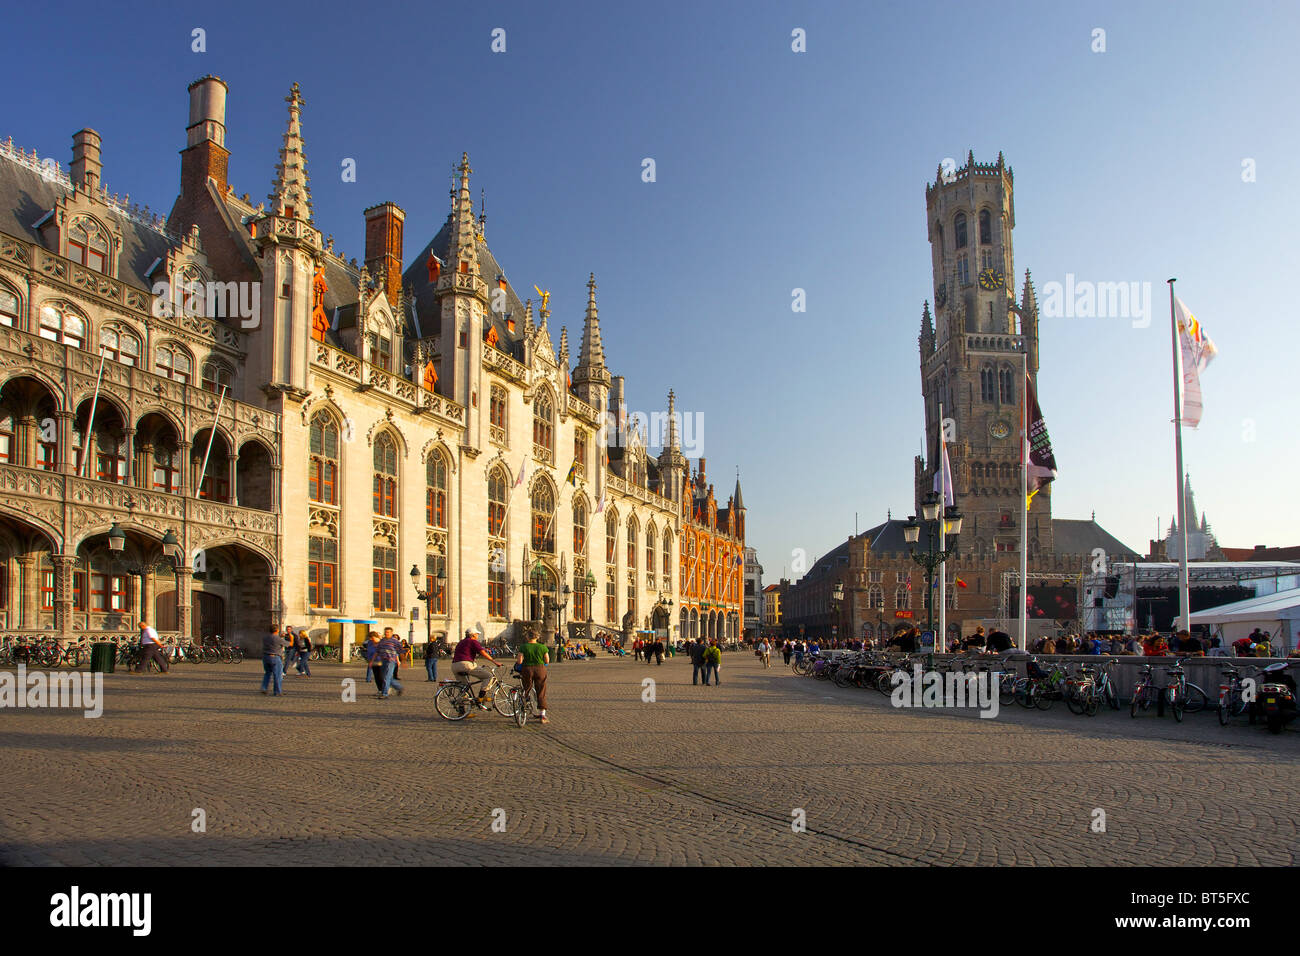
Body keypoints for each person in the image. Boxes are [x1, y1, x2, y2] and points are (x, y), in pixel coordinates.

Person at [451, 628, 500, 707]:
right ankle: (481, 697)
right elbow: (483, 652)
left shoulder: (461, 642)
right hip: (465, 665)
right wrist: (494, 661)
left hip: (454, 666)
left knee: (463, 688)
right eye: (477, 634)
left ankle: (461, 712)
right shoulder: (473, 641)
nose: (478, 635)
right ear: (473, 635)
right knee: (489, 676)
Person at [515, 628, 550, 724]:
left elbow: (519, 661)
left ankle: (524, 704)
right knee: (541, 690)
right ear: (537, 637)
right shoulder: (542, 647)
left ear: (527, 636)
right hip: (540, 669)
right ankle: (542, 714)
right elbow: (547, 660)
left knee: (526, 688)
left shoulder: (523, 647)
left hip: (527, 669)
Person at [373, 629, 404, 699]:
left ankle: (385, 693)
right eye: (386, 632)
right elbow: (377, 651)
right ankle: (398, 687)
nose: (386, 633)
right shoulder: (382, 641)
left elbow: (400, 651)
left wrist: (402, 661)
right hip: (383, 660)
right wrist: (372, 660)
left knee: (386, 677)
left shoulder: (395, 641)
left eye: (388, 632)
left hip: (391, 661)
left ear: (391, 633)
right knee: (385, 676)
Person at [261, 626, 289, 695]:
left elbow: (273, 640)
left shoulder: (265, 637)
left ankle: (264, 688)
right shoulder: (278, 638)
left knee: (267, 673)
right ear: (277, 630)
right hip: (275, 657)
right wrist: (289, 637)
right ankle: (277, 691)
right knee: (277, 675)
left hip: (265, 656)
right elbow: (288, 644)